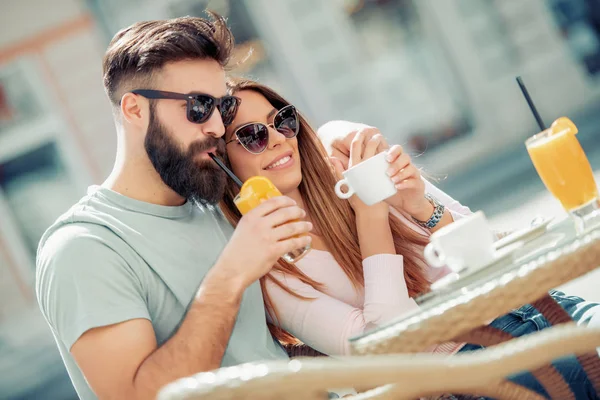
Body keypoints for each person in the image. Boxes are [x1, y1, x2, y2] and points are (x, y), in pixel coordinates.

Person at [220, 78, 600, 398]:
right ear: (225, 162)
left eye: (282, 121)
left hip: (538, 311)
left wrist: (420, 206)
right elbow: (392, 346)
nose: (276, 139)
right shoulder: (276, 273)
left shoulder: (355, 169)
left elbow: (490, 251)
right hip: (475, 367)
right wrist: (372, 217)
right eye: (251, 135)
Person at [35, 15, 313, 400]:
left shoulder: (217, 204)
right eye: (199, 106)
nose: (217, 125)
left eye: (223, 106)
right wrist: (231, 274)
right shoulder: (83, 249)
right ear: (134, 110)